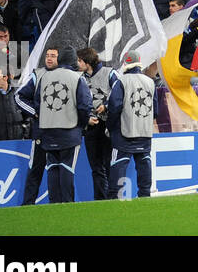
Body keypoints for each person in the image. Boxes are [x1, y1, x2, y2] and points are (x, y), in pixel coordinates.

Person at [16, 46, 91, 204]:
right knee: (66, 167)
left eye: (53, 56)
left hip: (46, 132)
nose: (49, 58)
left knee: (52, 167)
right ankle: (67, 204)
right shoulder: (77, 78)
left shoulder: (43, 77)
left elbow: (37, 101)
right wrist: (81, 125)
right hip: (69, 131)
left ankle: (53, 204)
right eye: (47, 55)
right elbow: (85, 106)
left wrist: (40, 115)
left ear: (60, 59)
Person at [106, 51, 155, 198]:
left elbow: (114, 107)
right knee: (144, 163)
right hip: (145, 132)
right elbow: (156, 110)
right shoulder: (150, 81)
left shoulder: (121, 81)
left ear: (125, 63)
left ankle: (116, 198)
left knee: (119, 165)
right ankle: (145, 196)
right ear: (139, 62)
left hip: (124, 132)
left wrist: (110, 126)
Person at [78, 46, 118, 200]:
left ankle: (112, 198)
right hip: (90, 126)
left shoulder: (110, 73)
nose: (78, 63)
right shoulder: (79, 77)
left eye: (80, 60)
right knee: (95, 167)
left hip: (107, 125)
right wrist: (86, 117)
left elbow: (119, 92)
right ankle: (100, 200)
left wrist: (106, 105)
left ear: (87, 62)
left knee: (109, 164)